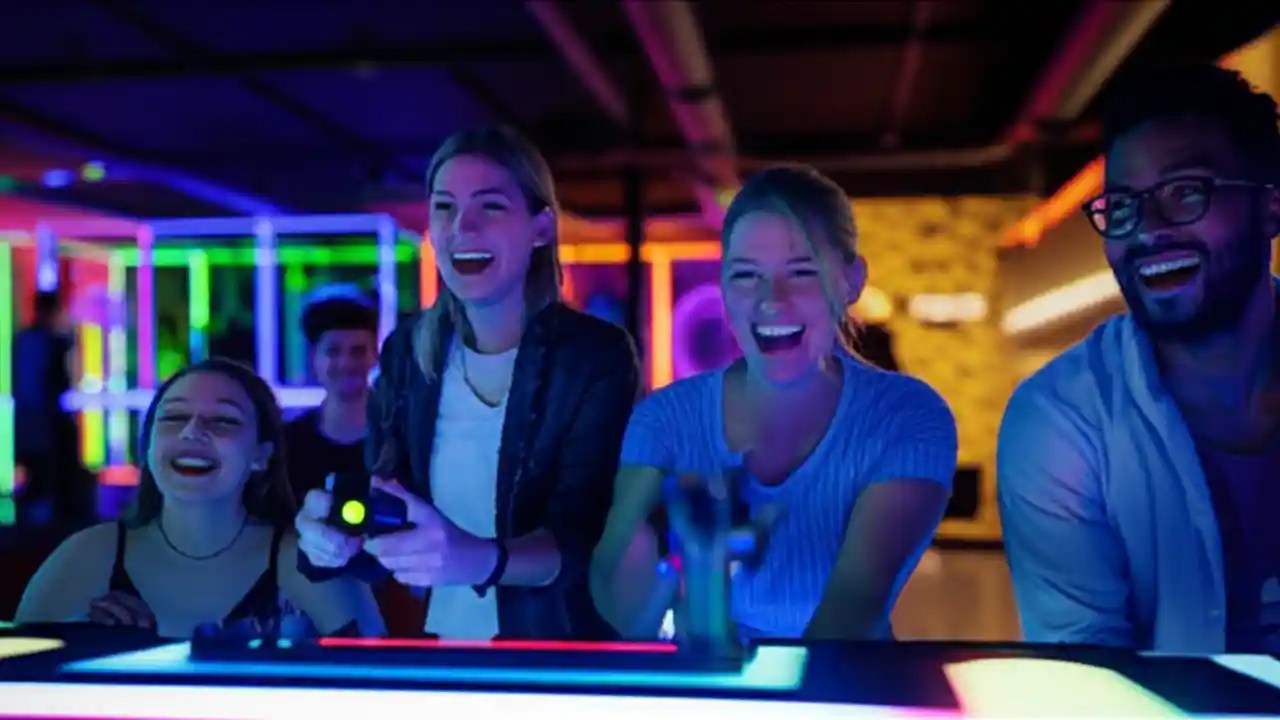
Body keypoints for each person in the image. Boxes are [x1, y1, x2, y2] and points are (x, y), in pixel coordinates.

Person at [294, 126, 641, 640]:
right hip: (444, 653)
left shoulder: (594, 356)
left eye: (491, 207)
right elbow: (386, 511)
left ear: (541, 227)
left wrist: (476, 558)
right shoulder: (408, 352)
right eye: (445, 208)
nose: (463, 227)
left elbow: (581, 541)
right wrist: (334, 538)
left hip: (562, 656)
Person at [590, 165, 958, 641]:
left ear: (851, 281)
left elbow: (850, 614)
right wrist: (660, 554)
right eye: (746, 276)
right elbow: (624, 616)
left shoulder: (906, 417)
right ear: (723, 287)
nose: (771, 301)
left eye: (801, 272)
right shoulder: (664, 419)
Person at [998, 64, 1280, 653]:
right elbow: (1087, 673)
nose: (1146, 230)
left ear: (1270, 207)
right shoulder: (1060, 420)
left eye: (1185, 193)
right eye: (1123, 205)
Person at [15, 359, 384, 639]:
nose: (193, 432)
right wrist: (82, 643)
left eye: (223, 420)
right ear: (148, 447)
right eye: (174, 417)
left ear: (261, 455)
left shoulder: (310, 563)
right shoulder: (89, 556)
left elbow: (380, 691)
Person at [284, 293, 379, 502]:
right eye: (333, 351)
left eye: (358, 351)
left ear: (375, 355)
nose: (346, 363)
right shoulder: (288, 445)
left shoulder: (400, 438)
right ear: (313, 358)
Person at [12, 290, 94, 527]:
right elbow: (54, 383)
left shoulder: (24, 341)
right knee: (48, 478)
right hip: (46, 425)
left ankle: (31, 524)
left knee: (37, 478)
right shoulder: (50, 342)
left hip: (29, 424)